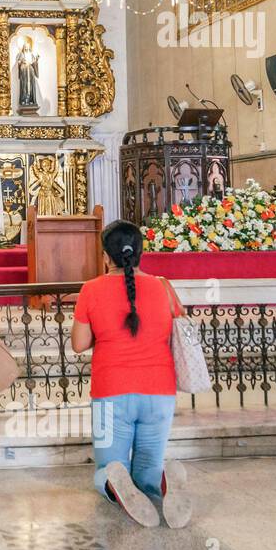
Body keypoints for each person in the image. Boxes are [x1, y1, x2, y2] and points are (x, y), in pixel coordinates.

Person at [71, 219, 191, 528]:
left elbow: (79, 344)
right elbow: (180, 328)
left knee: (108, 468)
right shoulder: (163, 287)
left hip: (111, 392)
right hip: (160, 390)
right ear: (140, 252)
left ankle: (115, 484)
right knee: (148, 469)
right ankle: (163, 480)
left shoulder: (90, 290)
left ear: (105, 257)